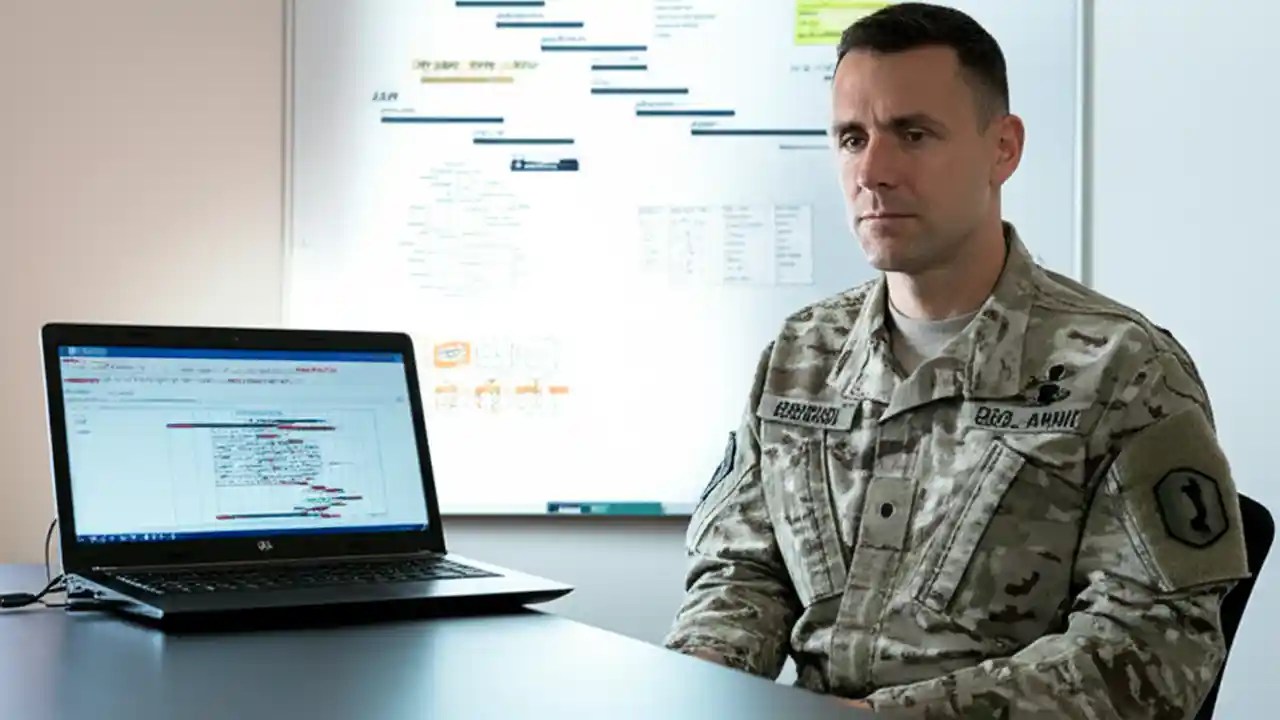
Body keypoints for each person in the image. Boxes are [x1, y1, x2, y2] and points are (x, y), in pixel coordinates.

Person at [662, 3, 1250, 717]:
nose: (873, 172)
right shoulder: (799, 357)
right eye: (852, 138)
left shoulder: (1122, 370)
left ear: (1002, 148)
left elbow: (1157, 650)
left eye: (913, 134)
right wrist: (698, 689)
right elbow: (740, 577)